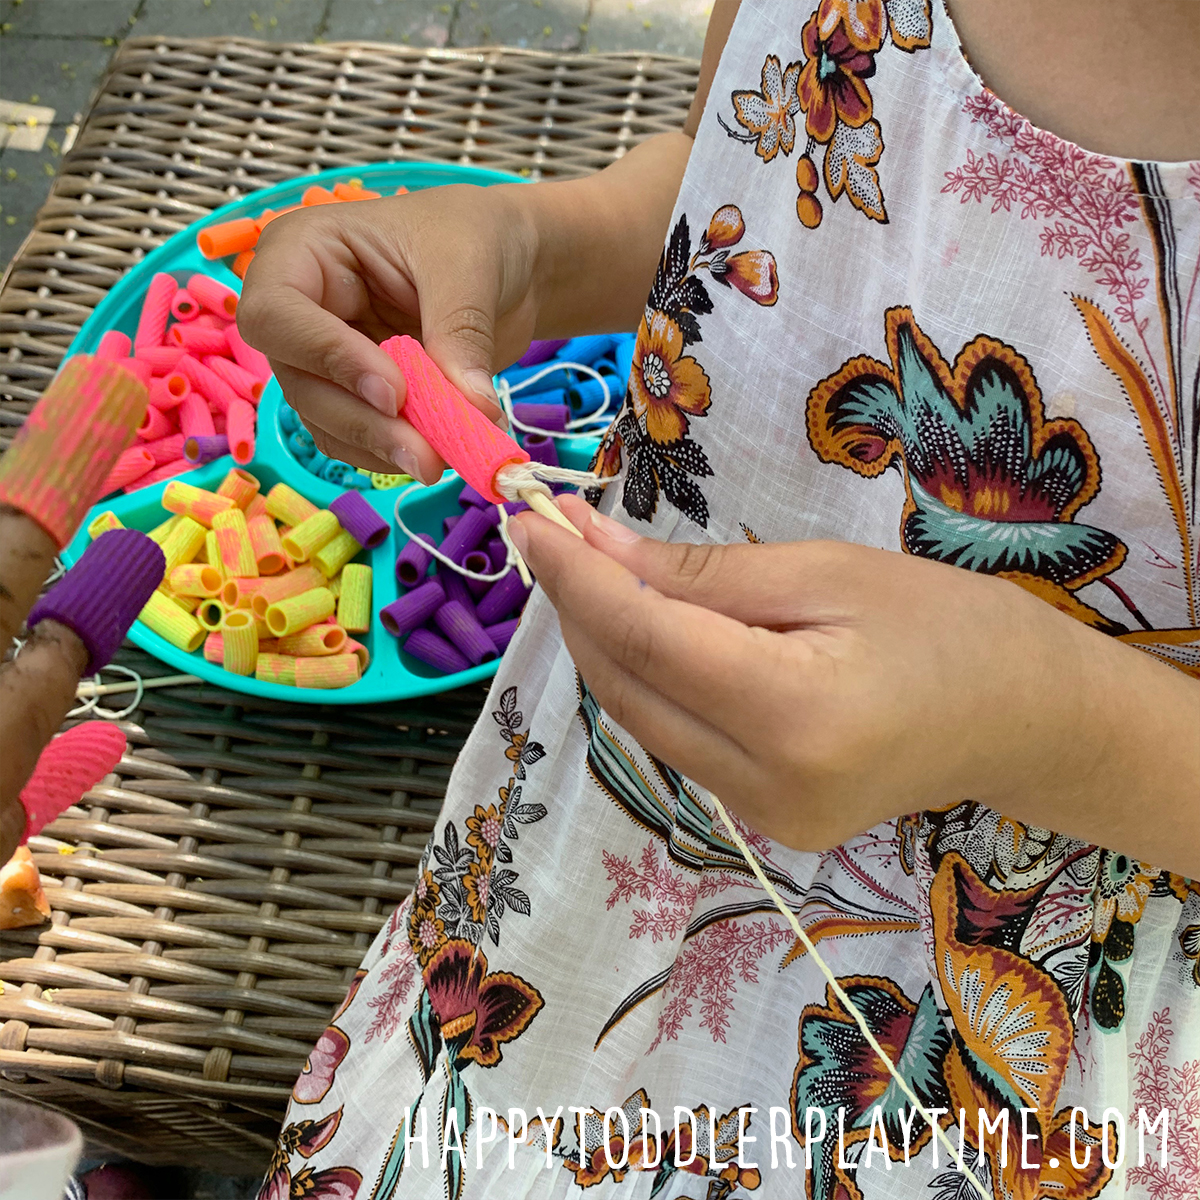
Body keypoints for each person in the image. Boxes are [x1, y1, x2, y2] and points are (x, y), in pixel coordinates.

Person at [239, 2, 1200, 1197]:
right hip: (578, 881)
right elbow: (756, 180)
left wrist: (1041, 714)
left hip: (1033, 1080)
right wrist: (527, 243)